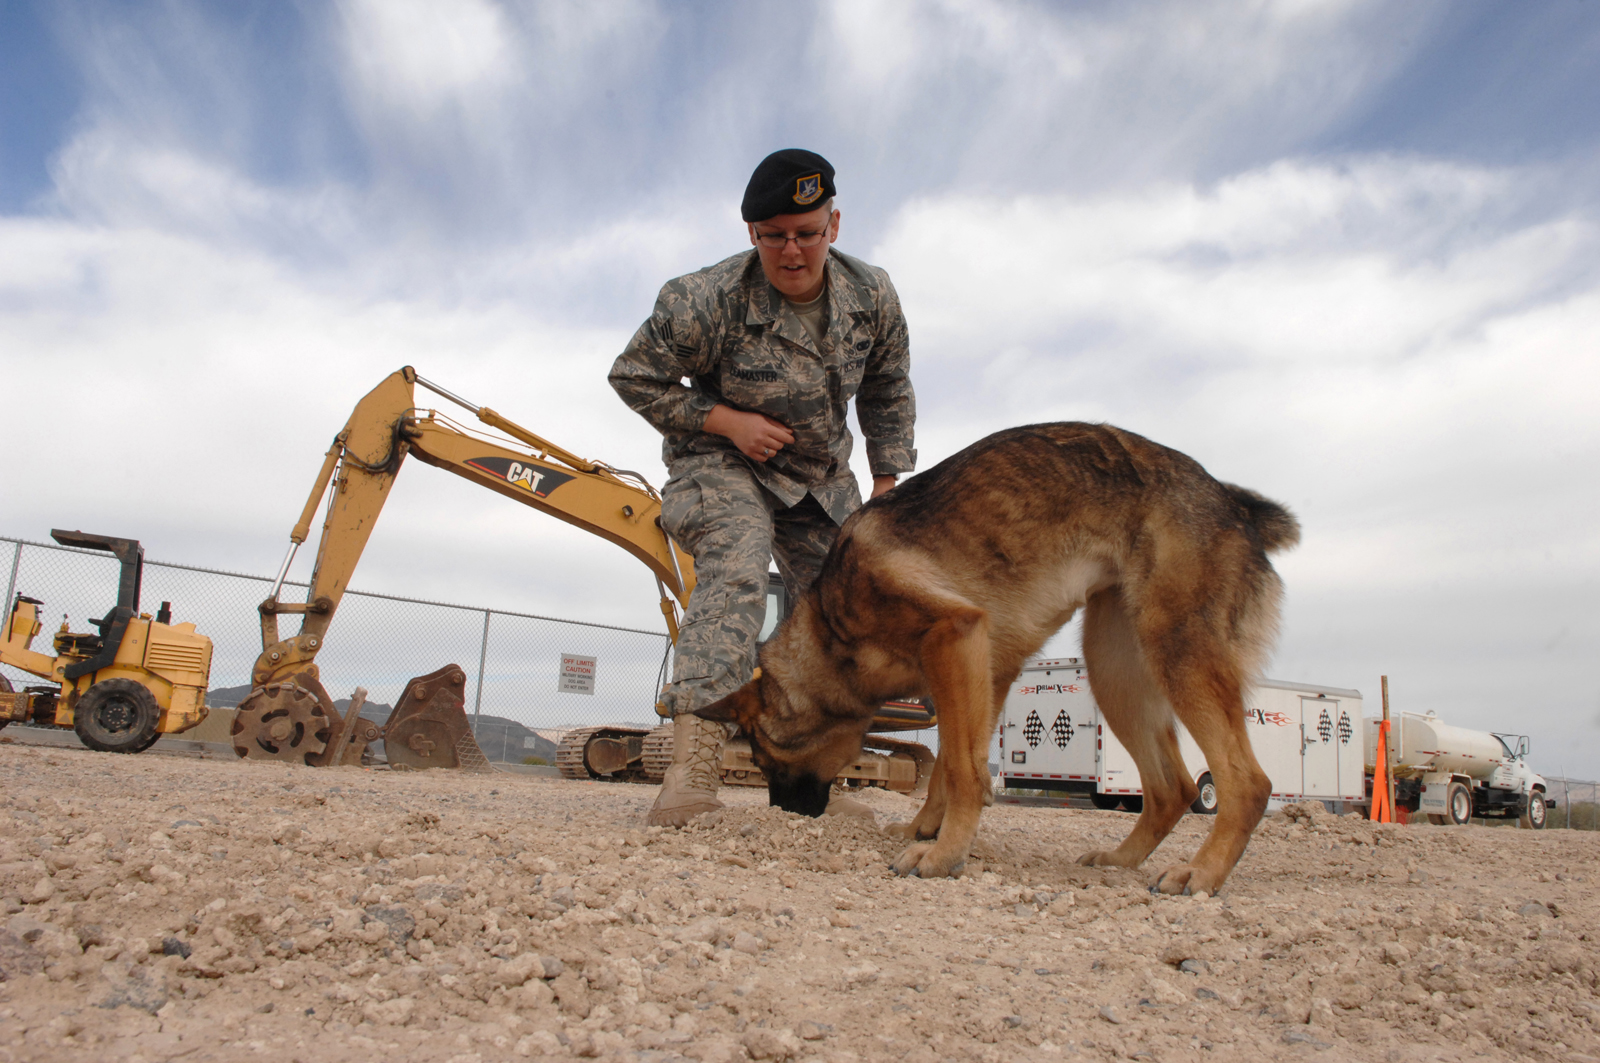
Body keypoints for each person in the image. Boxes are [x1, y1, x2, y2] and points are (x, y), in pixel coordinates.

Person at [610, 148, 916, 826]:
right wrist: (726, 420)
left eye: (807, 233)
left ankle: (805, 792)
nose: (792, 250)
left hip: (818, 479)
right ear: (752, 234)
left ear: (834, 225)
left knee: (844, 612)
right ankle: (689, 782)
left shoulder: (870, 297)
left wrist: (888, 484)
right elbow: (635, 376)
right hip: (721, 462)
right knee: (738, 567)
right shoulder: (702, 300)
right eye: (774, 235)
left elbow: (889, 387)